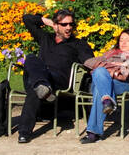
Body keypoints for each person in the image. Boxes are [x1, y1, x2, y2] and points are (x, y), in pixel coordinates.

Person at [15, 9, 94, 144]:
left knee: (36, 87)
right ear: (56, 25)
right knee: (31, 59)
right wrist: (49, 22)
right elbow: (27, 19)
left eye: (71, 24)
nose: (68, 27)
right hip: (41, 76)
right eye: (64, 24)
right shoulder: (46, 38)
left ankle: (24, 132)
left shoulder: (78, 44)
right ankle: (43, 87)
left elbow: (90, 62)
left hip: (59, 80)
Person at [80, 29, 129, 143]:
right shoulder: (111, 53)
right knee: (100, 71)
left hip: (121, 84)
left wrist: (126, 64)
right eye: (121, 40)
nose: (123, 43)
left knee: (98, 89)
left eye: (127, 40)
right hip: (103, 80)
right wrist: (106, 64)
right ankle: (107, 102)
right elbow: (88, 62)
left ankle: (94, 132)